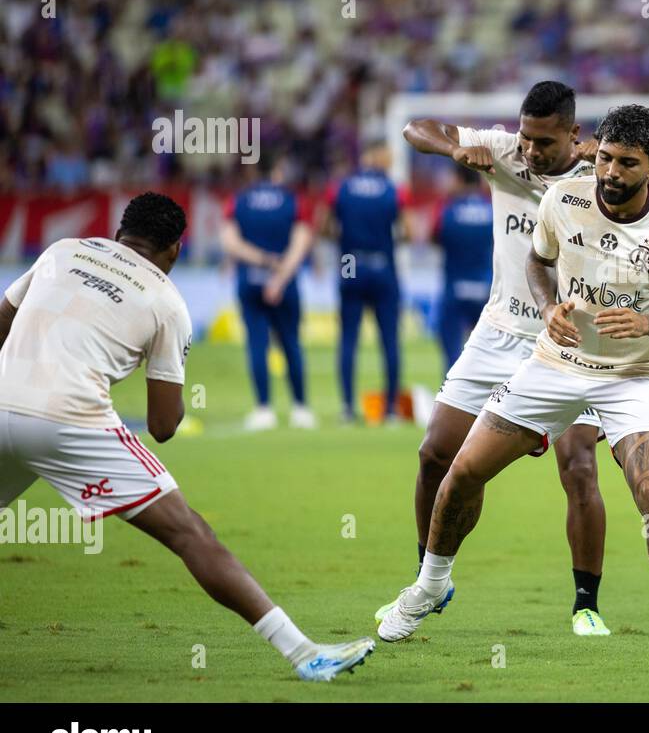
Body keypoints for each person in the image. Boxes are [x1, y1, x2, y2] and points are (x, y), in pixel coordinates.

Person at [376, 104, 649, 660]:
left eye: (627, 164)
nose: (610, 172)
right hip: (554, 364)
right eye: (604, 157)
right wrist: (548, 305)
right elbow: (538, 262)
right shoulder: (566, 197)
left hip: (632, 376)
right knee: (461, 470)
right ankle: (429, 585)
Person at [0, 193, 373, 680]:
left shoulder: (62, 250)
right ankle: (305, 653)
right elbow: (162, 426)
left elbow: (3, 323)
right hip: (70, 419)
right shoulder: (166, 302)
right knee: (190, 533)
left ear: (118, 232)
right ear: (176, 250)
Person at [221, 156, 316, 431]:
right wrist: (280, 276)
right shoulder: (291, 200)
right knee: (291, 344)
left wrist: (262, 261)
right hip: (285, 285)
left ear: (252, 171)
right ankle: (301, 408)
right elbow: (301, 243)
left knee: (257, 344)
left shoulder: (239, 200)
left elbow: (230, 242)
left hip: (249, 281)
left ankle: (264, 409)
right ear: (277, 169)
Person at [325, 142, 414, 423]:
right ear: (376, 153)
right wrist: (386, 242)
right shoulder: (392, 189)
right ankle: (389, 411)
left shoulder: (341, 187)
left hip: (350, 264)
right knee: (389, 339)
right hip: (381, 264)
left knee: (348, 337)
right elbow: (409, 231)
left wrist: (346, 242)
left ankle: (347, 408)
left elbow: (324, 227)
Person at [433, 165, 493, 372]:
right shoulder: (492, 210)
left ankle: (452, 399)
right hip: (486, 289)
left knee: (452, 357)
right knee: (488, 356)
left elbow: (434, 237)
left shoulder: (448, 209)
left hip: (455, 289)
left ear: (459, 179)